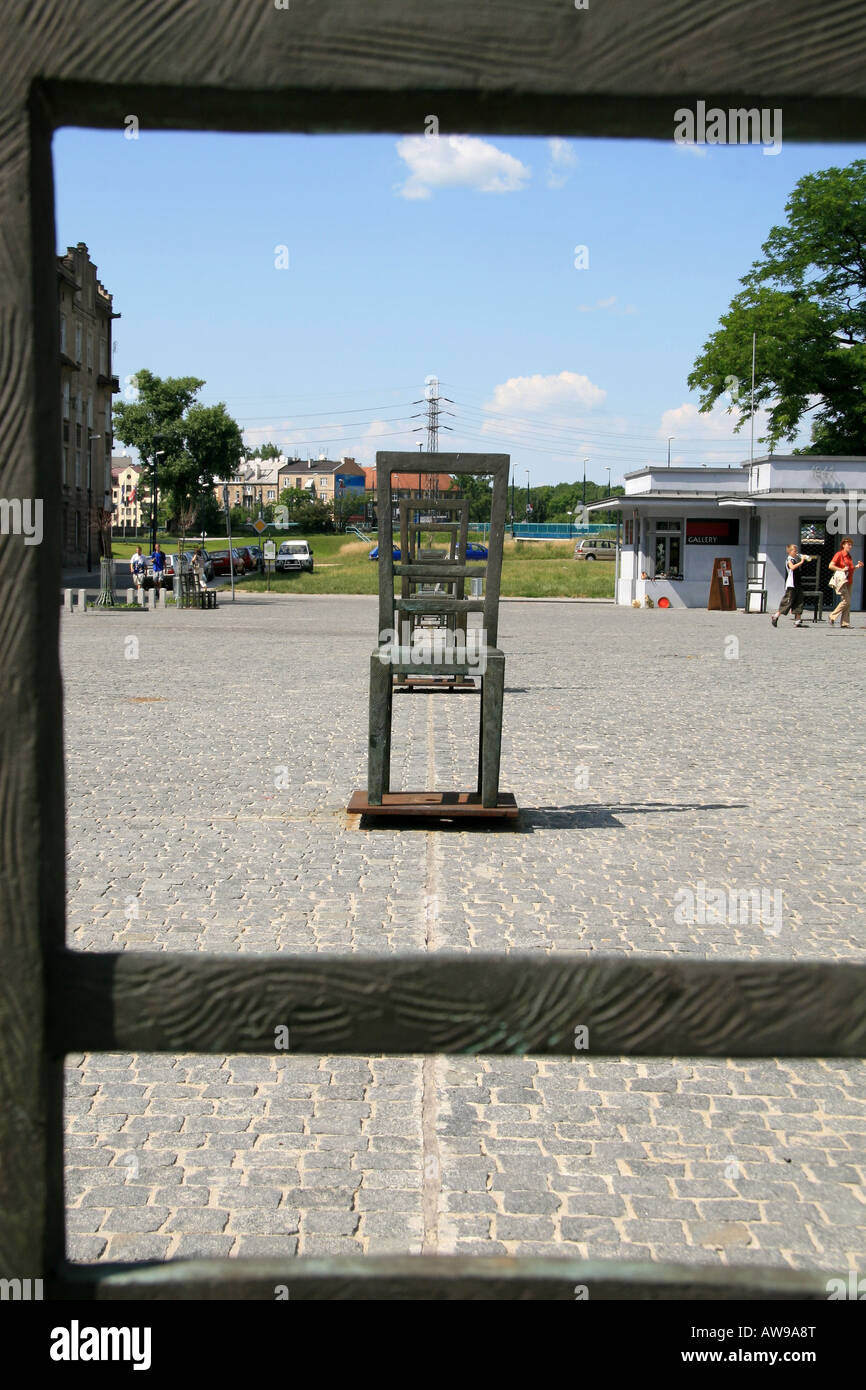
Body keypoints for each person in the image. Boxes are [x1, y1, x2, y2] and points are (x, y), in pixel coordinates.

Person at [770, 543, 815, 628]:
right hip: (791, 585)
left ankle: (797, 621)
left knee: (799, 601)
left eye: (796, 550)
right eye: (794, 551)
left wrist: (803, 558)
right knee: (788, 601)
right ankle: (775, 616)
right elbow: (792, 567)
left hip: (798, 584)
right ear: (790, 552)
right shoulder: (789, 559)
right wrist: (801, 561)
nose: (796, 552)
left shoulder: (795, 559)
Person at [828, 536, 864, 628]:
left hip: (849, 581)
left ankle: (845, 623)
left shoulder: (849, 556)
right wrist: (841, 569)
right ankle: (832, 616)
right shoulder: (839, 554)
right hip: (842, 581)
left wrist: (857, 566)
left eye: (851, 545)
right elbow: (831, 566)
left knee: (848, 602)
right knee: (846, 601)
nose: (850, 546)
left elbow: (850, 569)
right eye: (848, 544)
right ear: (843, 545)